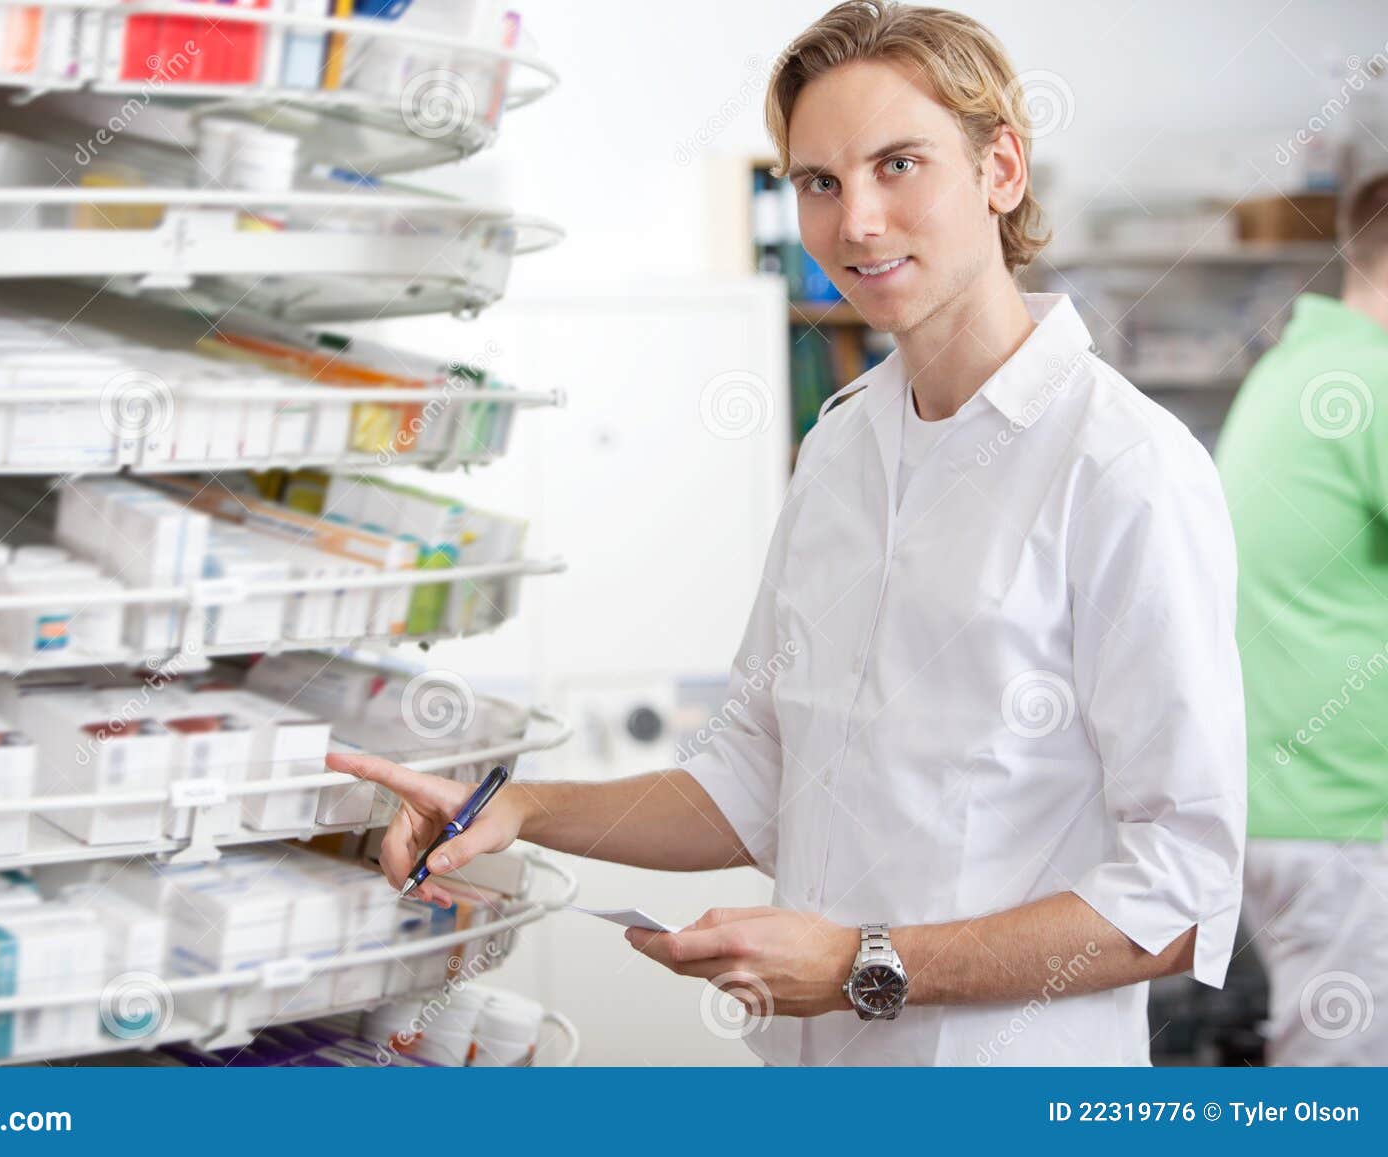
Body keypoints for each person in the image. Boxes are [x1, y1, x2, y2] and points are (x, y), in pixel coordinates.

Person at [326, 0, 1246, 1066]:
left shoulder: (1123, 468)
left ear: (1000, 170)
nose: (856, 222)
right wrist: (521, 805)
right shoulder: (841, 447)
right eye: (819, 182)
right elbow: (755, 777)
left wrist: (867, 963)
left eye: (898, 165)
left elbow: (1184, 893)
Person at [1214, 165, 1388, 1066]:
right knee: (1344, 1092)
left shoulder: (1297, 367)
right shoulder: (1372, 380)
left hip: (1294, 799)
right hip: (1347, 812)